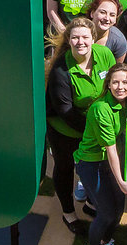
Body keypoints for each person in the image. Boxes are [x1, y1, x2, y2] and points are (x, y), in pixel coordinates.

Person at [47, 17, 117, 233]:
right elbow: (66, 112)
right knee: (66, 168)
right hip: (66, 129)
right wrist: (97, 132)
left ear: (93, 38)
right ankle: (68, 212)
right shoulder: (61, 70)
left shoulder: (105, 55)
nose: (81, 42)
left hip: (95, 125)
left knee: (96, 166)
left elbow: (116, 82)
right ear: (68, 40)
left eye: (85, 37)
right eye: (75, 37)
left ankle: (90, 203)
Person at [76, 63, 127, 245]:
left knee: (119, 208)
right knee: (106, 211)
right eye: (116, 82)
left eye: (126, 82)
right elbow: (110, 148)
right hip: (91, 164)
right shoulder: (101, 108)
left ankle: (105, 241)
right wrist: (120, 180)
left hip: (110, 162)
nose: (120, 86)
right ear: (108, 84)